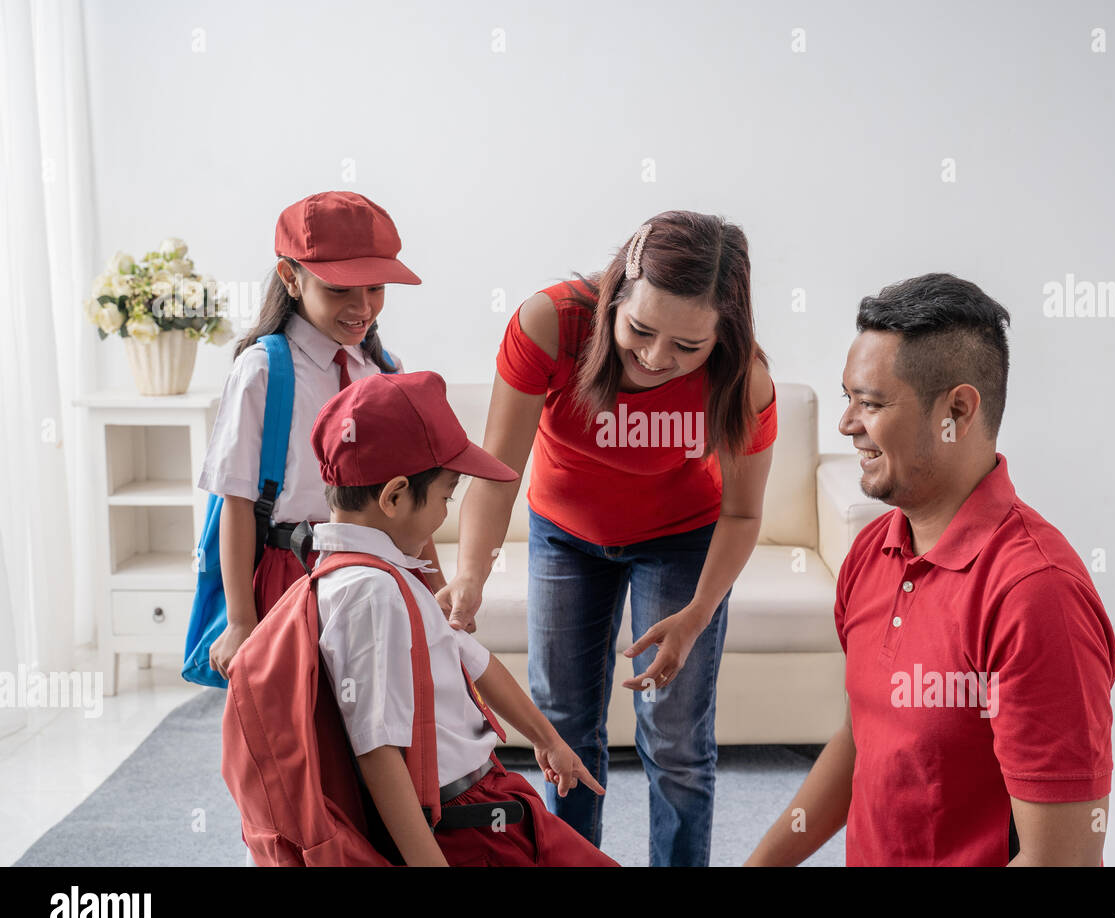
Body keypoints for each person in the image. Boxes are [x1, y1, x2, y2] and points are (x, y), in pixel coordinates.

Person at [438, 211, 778, 866]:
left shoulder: (744, 381)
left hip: (683, 539)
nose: (655, 358)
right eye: (641, 331)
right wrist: (473, 573)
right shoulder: (551, 324)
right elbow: (498, 470)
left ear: (724, 335)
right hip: (565, 534)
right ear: (616, 292)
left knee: (676, 736)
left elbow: (741, 515)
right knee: (562, 722)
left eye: (688, 346)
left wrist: (696, 615)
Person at [746, 273, 1115, 867]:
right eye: (847, 397)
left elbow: (1061, 861)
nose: (846, 424)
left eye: (870, 403)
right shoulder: (871, 553)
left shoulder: (1036, 595)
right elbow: (862, 740)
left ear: (957, 410)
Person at [310, 369, 618, 866]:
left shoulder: (390, 573)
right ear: (394, 496)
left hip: (489, 794)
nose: (445, 513)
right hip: (460, 823)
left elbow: (474, 660)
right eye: (446, 496)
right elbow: (377, 752)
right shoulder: (368, 593)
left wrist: (550, 741)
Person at [199, 190, 438, 680]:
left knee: (377, 729)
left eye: (376, 288)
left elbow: (410, 496)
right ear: (291, 278)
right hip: (293, 574)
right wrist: (243, 620)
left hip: (378, 572)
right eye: (339, 290)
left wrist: (435, 594)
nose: (363, 306)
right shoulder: (264, 370)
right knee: (301, 732)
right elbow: (237, 502)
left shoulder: (384, 370)